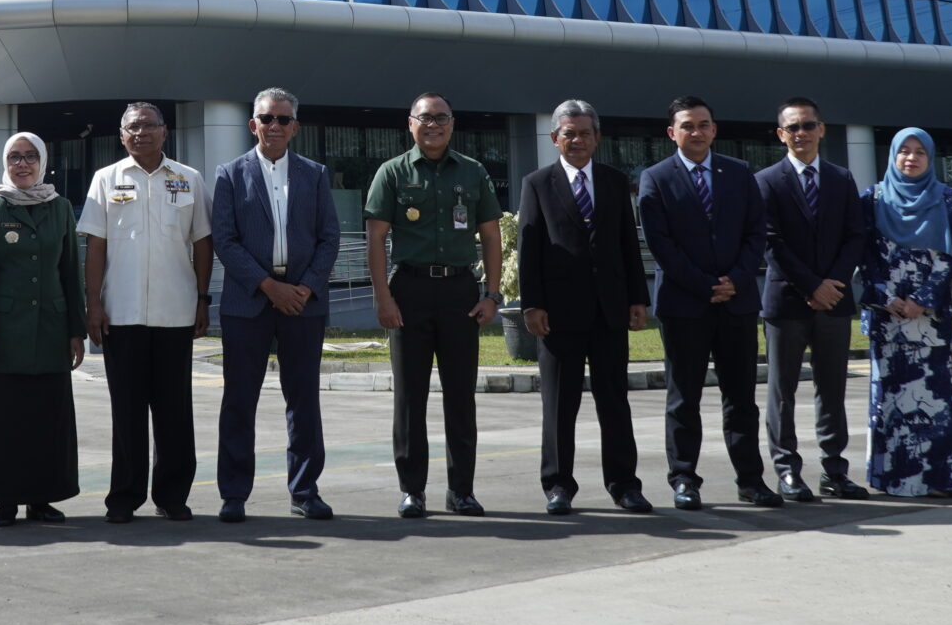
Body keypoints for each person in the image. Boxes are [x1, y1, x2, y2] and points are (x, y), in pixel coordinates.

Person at [363, 91, 503, 519]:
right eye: (425, 118)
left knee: (461, 396)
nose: (433, 125)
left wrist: (493, 295)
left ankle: (462, 490)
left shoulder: (473, 172)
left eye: (441, 118)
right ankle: (412, 490)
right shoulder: (392, 173)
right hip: (410, 292)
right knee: (410, 398)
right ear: (411, 124)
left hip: (460, 293)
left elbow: (492, 237)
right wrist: (383, 298)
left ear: (452, 124)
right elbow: (375, 239)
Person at [638, 96, 778, 509]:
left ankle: (751, 480)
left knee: (741, 398)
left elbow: (757, 232)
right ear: (672, 133)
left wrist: (735, 279)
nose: (696, 132)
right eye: (687, 125)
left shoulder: (738, 173)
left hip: (736, 303)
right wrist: (703, 285)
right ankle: (684, 479)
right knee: (684, 398)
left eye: (703, 124)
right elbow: (660, 243)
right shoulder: (655, 178)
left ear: (714, 129)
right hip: (685, 306)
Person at [210, 87, 339, 522]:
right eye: (267, 118)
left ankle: (305, 491)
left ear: (296, 127)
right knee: (239, 400)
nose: (275, 126)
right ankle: (233, 493)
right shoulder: (229, 174)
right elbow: (224, 241)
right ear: (253, 124)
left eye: (284, 119)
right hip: (248, 302)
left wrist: (304, 288)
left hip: (304, 302)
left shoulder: (315, 174)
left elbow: (329, 238)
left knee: (303, 400)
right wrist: (269, 286)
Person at [79, 101, 212, 524]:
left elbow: (203, 243)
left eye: (148, 126)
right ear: (121, 136)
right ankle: (124, 496)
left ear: (164, 131)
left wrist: (203, 298)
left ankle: (172, 495)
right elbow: (95, 245)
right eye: (132, 128)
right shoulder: (105, 180)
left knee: (175, 412)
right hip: (122, 314)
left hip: (176, 313)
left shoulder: (188, 179)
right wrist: (94, 304)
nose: (141, 133)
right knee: (127, 413)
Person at [516, 101, 650, 515]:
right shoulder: (537, 183)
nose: (577, 140)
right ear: (555, 138)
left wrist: (637, 298)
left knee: (614, 402)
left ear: (597, 138)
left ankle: (624, 485)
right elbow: (529, 249)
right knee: (559, 405)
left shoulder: (614, 181)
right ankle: (558, 485)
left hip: (609, 312)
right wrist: (532, 304)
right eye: (569, 133)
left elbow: (628, 243)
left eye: (585, 133)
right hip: (557, 315)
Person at [754, 97, 871, 501]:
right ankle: (787, 470)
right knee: (782, 390)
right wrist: (811, 286)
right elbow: (771, 243)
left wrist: (833, 283)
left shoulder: (841, 179)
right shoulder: (766, 180)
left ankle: (835, 469)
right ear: (780, 134)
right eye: (793, 127)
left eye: (808, 125)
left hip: (834, 301)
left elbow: (856, 235)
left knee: (832, 388)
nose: (801, 133)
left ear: (822, 129)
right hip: (787, 302)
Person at [0, 132, 86, 525]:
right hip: (3, 334)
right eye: (15, 157)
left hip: (52, 331)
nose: (23, 164)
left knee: (46, 419)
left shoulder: (61, 207)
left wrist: (76, 330)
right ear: (6, 162)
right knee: (2, 418)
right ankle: (5, 498)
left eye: (31, 157)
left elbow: (71, 272)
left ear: (43, 162)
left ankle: (42, 498)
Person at [858, 129, 952, 498]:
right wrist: (888, 297)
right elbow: (864, 255)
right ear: (892, 156)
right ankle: (894, 479)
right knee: (890, 401)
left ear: (930, 158)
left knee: (935, 400)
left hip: (930, 320)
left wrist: (922, 299)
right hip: (887, 316)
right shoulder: (872, 198)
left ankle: (942, 479)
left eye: (919, 152)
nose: (911, 158)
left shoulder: (947, 199)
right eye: (903, 151)